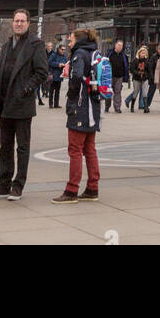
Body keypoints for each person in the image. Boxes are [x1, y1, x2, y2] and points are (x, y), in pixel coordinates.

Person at [0, 7, 48, 199]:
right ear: (12, 23)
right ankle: (4, 183)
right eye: (16, 20)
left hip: (22, 103)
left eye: (22, 21)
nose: (18, 23)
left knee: (22, 147)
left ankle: (18, 186)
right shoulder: (7, 44)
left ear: (28, 24)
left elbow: (42, 72)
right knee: (5, 146)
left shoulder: (35, 44)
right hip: (5, 104)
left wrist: (26, 89)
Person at [52, 28, 101, 203]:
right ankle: (92, 187)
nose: (69, 43)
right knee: (90, 148)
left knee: (75, 149)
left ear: (78, 40)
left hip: (80, 106)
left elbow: (77, 77)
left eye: (71, 39)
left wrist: (72, 90)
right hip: (93, 106)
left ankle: (71, 189)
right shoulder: (94, 52)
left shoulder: (78, 54)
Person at [106, 39, 129, 113]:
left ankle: (117, 107)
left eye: (121, 46)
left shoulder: (124, 55)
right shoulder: (110, 54)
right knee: (108, 92)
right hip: (110, 76)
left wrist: (126, 77)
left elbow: (126, 66)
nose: (120, 47)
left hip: (119, 76)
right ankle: (107, 106)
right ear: (115, 45)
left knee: (118, 92)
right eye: (119, 45)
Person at [129, 46, 150, 112]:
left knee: (145, 93)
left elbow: (149, 70)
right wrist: (137, 73)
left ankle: (146, 108)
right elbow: (132, 69)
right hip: (136, 79)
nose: (143, 54)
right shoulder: (135, 60)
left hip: (144, 78)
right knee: (135, 92)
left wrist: (147, 75)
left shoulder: (147, 61)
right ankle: (132, 107)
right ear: (139, 53)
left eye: (145, 53)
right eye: (142, 53)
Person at [145, 43, 160, 112]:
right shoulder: (154, 57)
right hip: (154, 78)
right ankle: (147, 106)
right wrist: (151, 77)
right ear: (158, 50)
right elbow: (150, 68)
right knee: (151, 92)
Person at [47, 43, 66, 108]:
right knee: (51, 90)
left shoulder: (64, 56)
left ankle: (56, 104)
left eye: (64, 49)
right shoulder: (54, 55)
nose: (63, 50)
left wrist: (65, 65)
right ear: (59, 49)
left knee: (57, 91)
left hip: (60, 76)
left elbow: (66, 62)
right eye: (62, 49)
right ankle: (50, 104)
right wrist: (58, 64)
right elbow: (49, 62)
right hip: (53, 75)